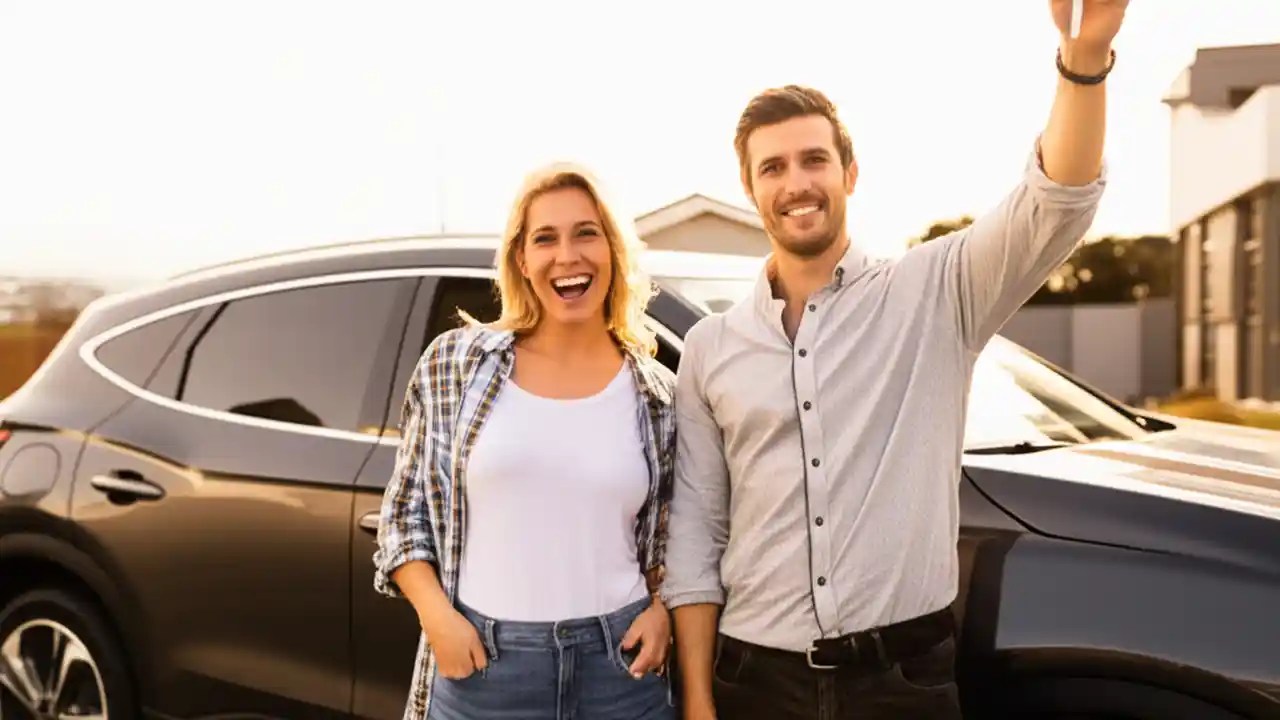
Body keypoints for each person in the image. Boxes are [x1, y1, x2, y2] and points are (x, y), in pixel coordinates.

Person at [661, 1, 1127, 718]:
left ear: (850, 173)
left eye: (814, 160)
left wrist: (1084, 59)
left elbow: (1055, 203)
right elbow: (697, 534)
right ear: (751, 191)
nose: (796, 183)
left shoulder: (935, 291)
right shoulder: (710, 348)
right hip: (754, 684)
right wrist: (697, 699)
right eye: (773, 168)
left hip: (900, 684)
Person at [373, 161, 678, 720]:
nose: (567, 256)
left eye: (586, 233)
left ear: (613, 250)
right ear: (521, 260)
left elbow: (680, 537)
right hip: (484, 671)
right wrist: (437, 619)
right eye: (545, 239)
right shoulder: (455, 366)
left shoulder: (657, 394)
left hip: (621, 670)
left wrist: (663, 610)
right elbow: (403, 516)